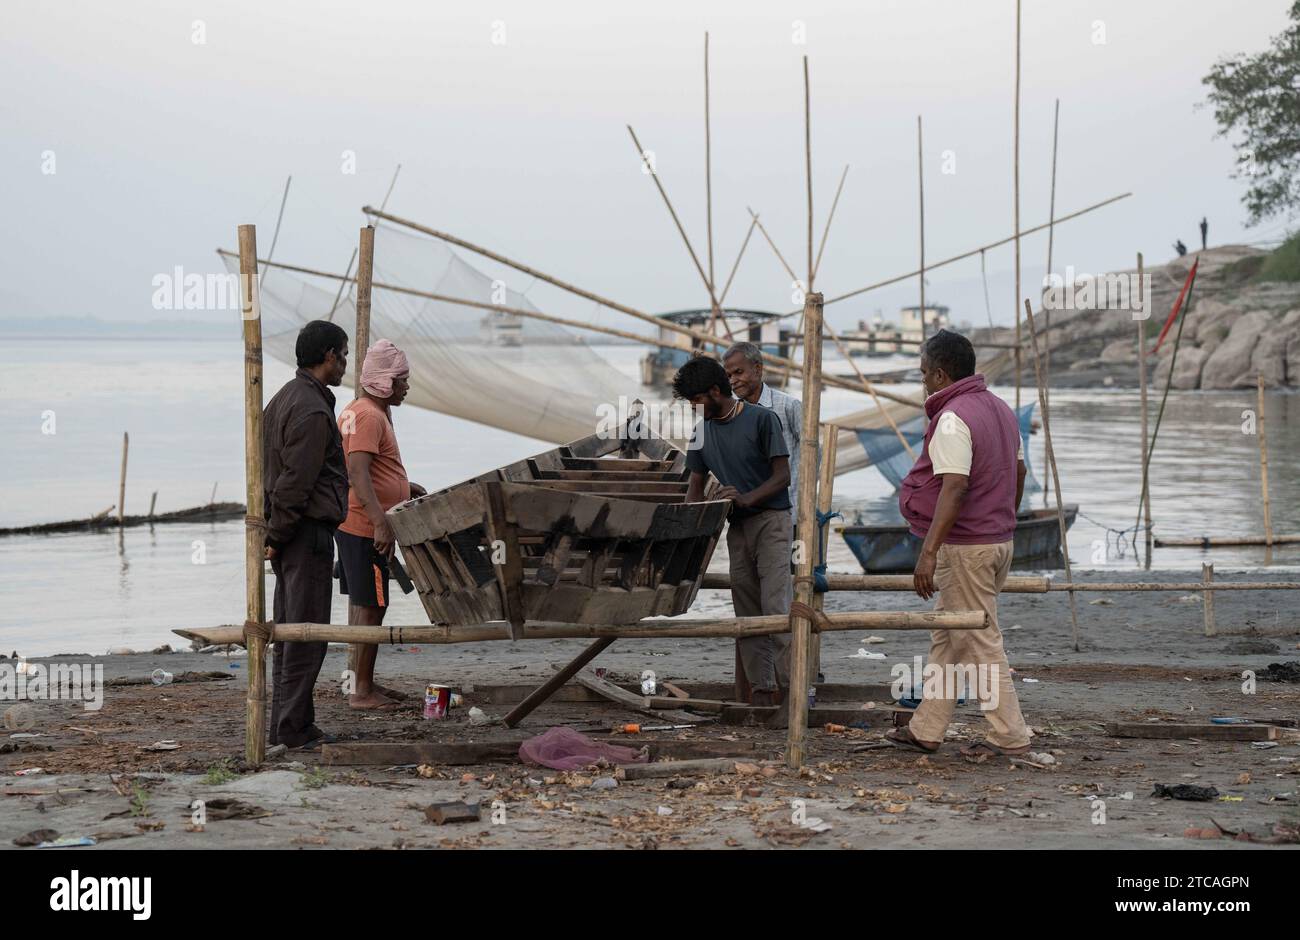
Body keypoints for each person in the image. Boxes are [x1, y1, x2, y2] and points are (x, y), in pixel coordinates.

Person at [885, 329, 1032, 759]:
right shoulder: (1001, 410)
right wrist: (1001, 521)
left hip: (967, 547)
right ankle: (926, 729)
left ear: (940, 374)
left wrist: (928, 553)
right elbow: (1019, 473)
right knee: (950, 636)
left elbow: (954, 487)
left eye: (924, 374)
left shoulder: (952, 417)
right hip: (997, 542)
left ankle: (1010, 736)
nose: (922, 382)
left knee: (979, 641)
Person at [674, 355, 793, 707]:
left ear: (715, 391)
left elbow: (783, 477)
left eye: (697, 399)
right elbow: (695, 487)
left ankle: (793, 693)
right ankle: (762, 692)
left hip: (771, 522)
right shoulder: (701, 432)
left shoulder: (762, 419)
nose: (694, 407)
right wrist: (687, 533)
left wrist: (746, 498)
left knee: (776, 608)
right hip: (737, 528)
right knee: (747, 613)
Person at [263, 320, 350, 750]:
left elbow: (273, 475)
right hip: (304, 533)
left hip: (290, 532)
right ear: (329, 356)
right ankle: (292, 728)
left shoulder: (284, 397)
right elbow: (294, 482)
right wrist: (278, 534)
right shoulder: (312, 410)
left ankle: (290, 723)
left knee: (289, 631)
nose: (346, 364)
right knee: (305, 635)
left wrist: (275, 533)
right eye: (344, 355)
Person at [721, 341, 825, 688]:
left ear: (758, 370)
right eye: (728, 375)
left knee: (787, 599)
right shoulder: (732, 413)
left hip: (790, 517)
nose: (734, 380)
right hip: (750, 517)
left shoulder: (787, 407)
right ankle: (761, 686)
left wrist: (804, 508)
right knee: (753, 601)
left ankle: (795, 683)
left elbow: (811, 457)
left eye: (739, 372)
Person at [336, 340, 427, 710]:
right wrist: (380, 523)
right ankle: (362, 691)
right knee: (372, 606)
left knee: (366, 604)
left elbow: (372, 469)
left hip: (358, 522)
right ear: (386, 381)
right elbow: (356, 472)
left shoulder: (364, 410)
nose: (406, 386)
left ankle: (365, 681)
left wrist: (405, 486)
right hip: (364, 526)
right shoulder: (370, 416)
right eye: (401, 379)